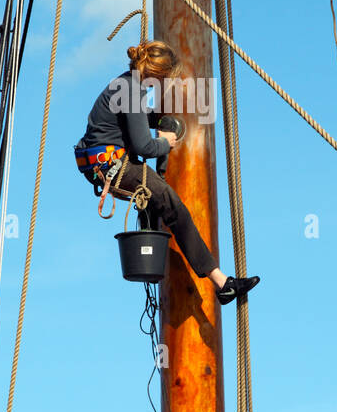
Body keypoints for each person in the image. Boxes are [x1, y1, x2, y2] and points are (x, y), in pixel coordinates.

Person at [75, 40, 260, 305]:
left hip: (101, 165)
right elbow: (144, 146)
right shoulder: (132, 90)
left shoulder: (124, 83)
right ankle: (222, 283)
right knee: (175, 207)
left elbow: (131, 118)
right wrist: (167, 142)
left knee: (155, 197)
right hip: (114, 167)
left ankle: (152, 250)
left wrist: (158, 119)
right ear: (157, 75)